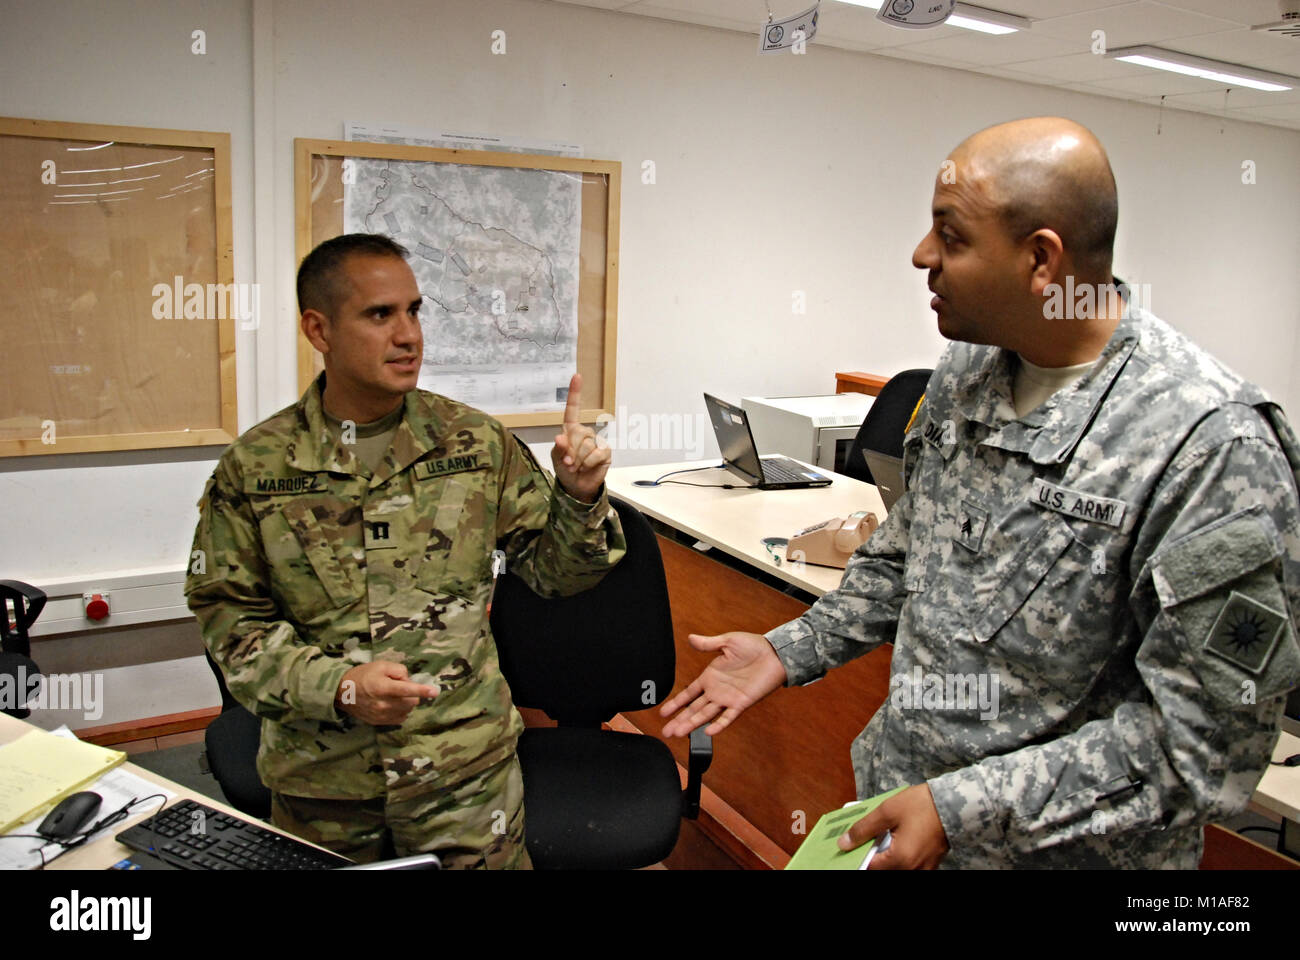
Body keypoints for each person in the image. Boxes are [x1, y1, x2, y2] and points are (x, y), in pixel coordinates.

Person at [660, 117, 1300, 869]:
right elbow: (906, 553)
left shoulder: (1211, 448)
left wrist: (961, 807)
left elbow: (1204, 747)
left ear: (1041, 260)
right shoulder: (969, 371)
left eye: (951, 237)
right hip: (897, 818)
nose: (921, 255)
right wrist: (791, 647)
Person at [184, 233, 624, 869]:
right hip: (324, 783)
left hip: (466, 778)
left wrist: (579, 499)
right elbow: (231, 623)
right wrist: (338, 687)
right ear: (319, 328)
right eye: (379, 314)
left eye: (415, 311)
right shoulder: (257, 466)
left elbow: (557, 577)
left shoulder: (474, 444)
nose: (409, 335)